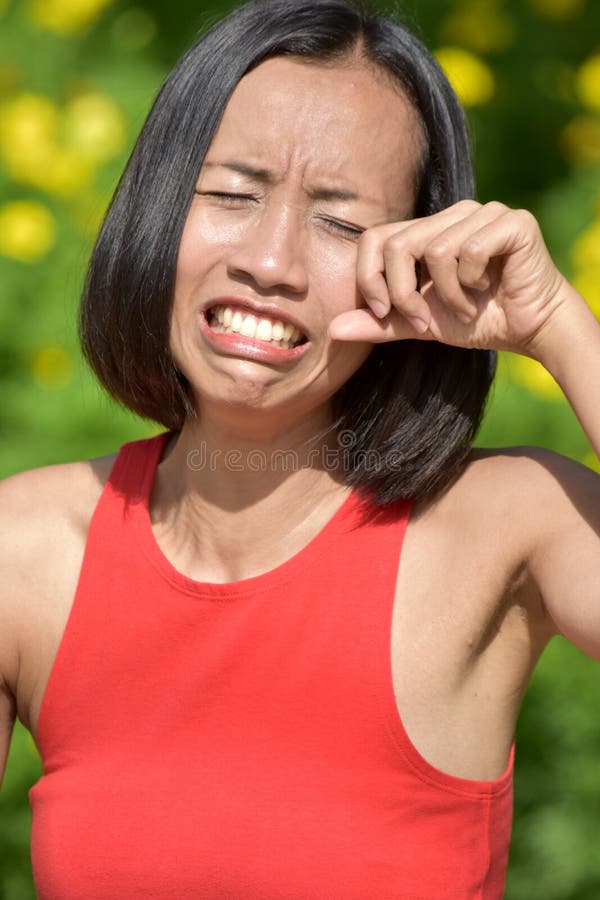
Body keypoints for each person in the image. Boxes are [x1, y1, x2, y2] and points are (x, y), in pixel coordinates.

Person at [1, 0, 599, 896]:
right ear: (159, 203)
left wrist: (561, 328)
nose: (272, 261)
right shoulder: (25, 550)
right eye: (234, 193)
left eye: (342, 223)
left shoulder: (506, 525)